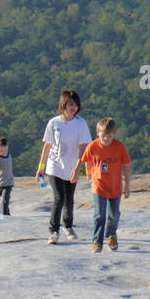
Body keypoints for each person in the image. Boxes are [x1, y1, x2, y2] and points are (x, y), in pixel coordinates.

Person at [37, 89, 90, 243]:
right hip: (54, 166)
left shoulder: (81, 124)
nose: (72, 108)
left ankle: (68, 225)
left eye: (75, 105)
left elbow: (83, 148)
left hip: (72, 167)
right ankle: (53, 230)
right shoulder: (54, 123)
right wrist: (41, 167)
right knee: (59, 198)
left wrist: (78, 169)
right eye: (69, 105)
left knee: (69, 199)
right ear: (63, 105)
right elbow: (47, 146)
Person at [77, 118, 132, 253]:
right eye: (103, 136)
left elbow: (127, 165)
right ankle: (97, 241)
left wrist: (127, 184)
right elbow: (87, 160)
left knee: (114, 215)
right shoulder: (93, 146)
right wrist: (89, 174)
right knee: (99, 214)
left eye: (109, 136)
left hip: (115, 186)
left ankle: (111, 235)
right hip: (98, 185)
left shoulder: (120, 147)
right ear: (97, 133)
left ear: (114, 134)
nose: (106, 139)